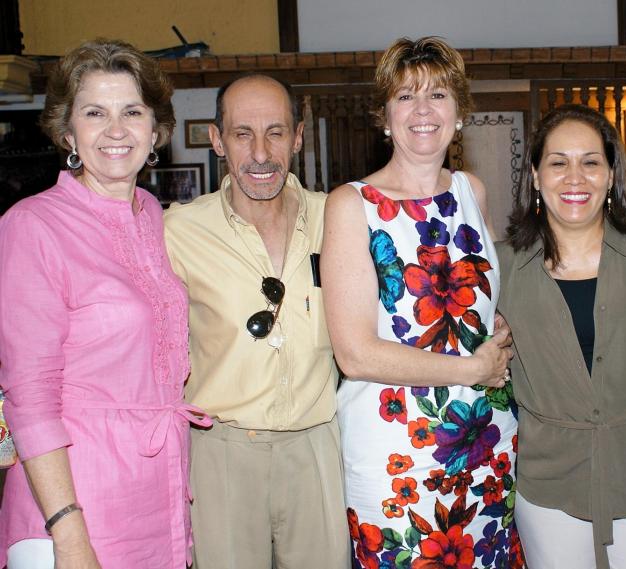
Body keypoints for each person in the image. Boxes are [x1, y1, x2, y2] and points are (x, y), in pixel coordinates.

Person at [0, 39, 209, 568]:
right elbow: (30, 396)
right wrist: (69, 533)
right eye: (95, 113)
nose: (116, 130)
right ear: (68, 132)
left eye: (132, 112)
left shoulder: (151, 214)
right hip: (75, 505)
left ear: (155, 131)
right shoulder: (32, 225)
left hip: (158, 496)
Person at [322, 37, 523, 568]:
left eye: (437, 94)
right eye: (406, 96)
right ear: (384, 117)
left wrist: (497, 326)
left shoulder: (472, 191)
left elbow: (478, 302)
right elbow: (355, 354)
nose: (423, 110)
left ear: (459, 112)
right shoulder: (352, 206)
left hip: (486, 439)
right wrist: (471, 368)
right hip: (396, 455)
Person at [163, 74, 349, 568]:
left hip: (317, 446)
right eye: (243, 134)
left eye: (276, 132)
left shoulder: (339, 218)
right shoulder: (178, 231)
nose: (261, 153)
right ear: (217, 140)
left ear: (298, 137)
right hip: (221, 453)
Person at [496, 104, 626, 569]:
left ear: (611, 174)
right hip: (549, 485)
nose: (574, 177)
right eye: (558, 162)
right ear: (536, 176)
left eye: (590, 162)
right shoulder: (501, 267)